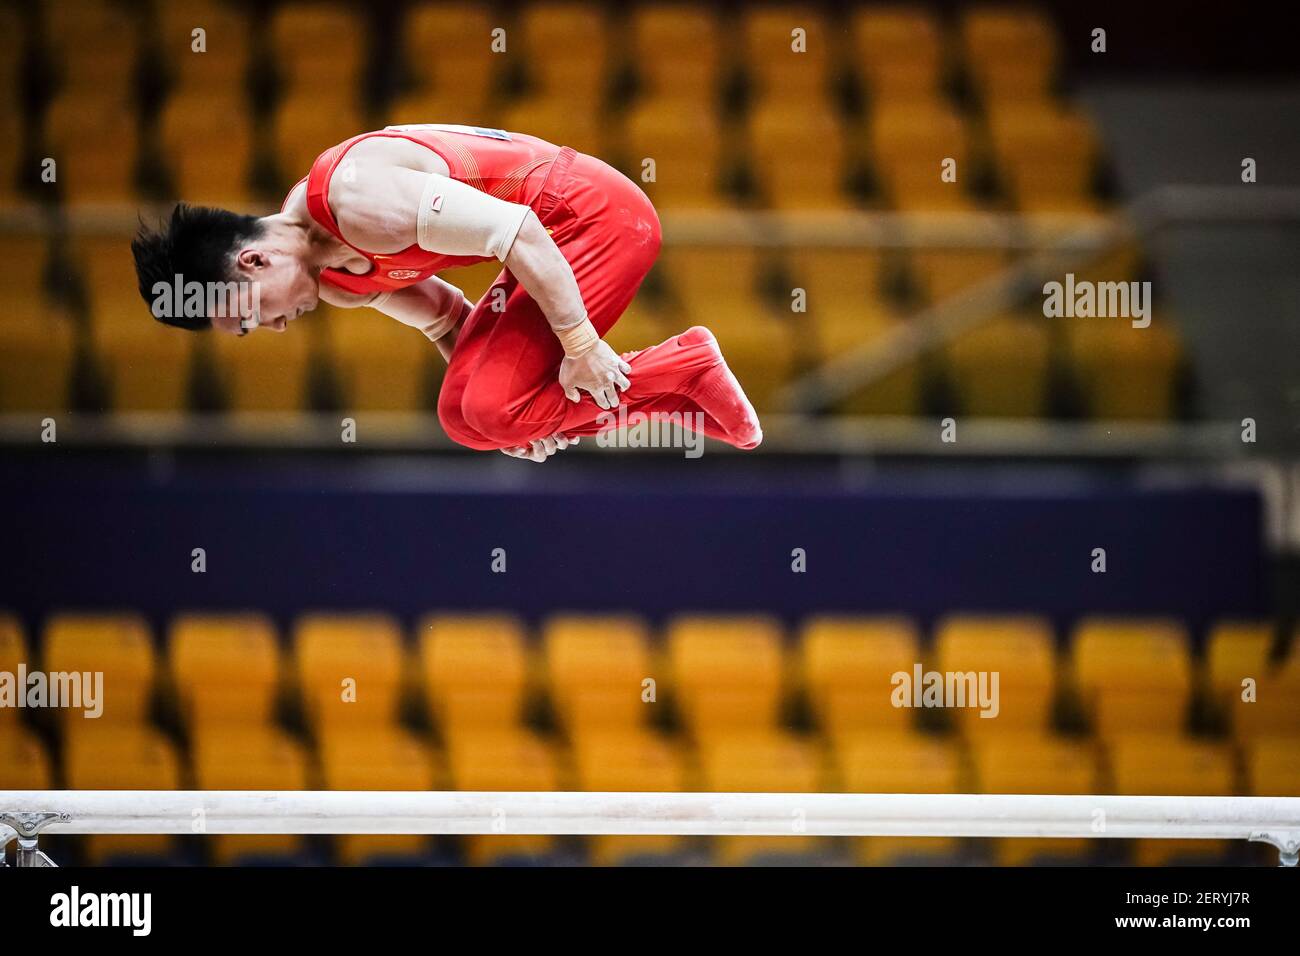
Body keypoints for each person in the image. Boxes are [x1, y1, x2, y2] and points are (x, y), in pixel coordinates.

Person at [132, 123, 762, 461]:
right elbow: (444, 321)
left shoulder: (354, 197)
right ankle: (676, 392)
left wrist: (580, 343)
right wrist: (521, 421)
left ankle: (687, 366)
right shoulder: (341, 285)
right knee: (465, 416)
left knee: (491, 408)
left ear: (255, 259)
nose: (272, 329)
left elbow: (514, 228)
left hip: (593, 214)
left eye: (248, 318)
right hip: (543, 244)